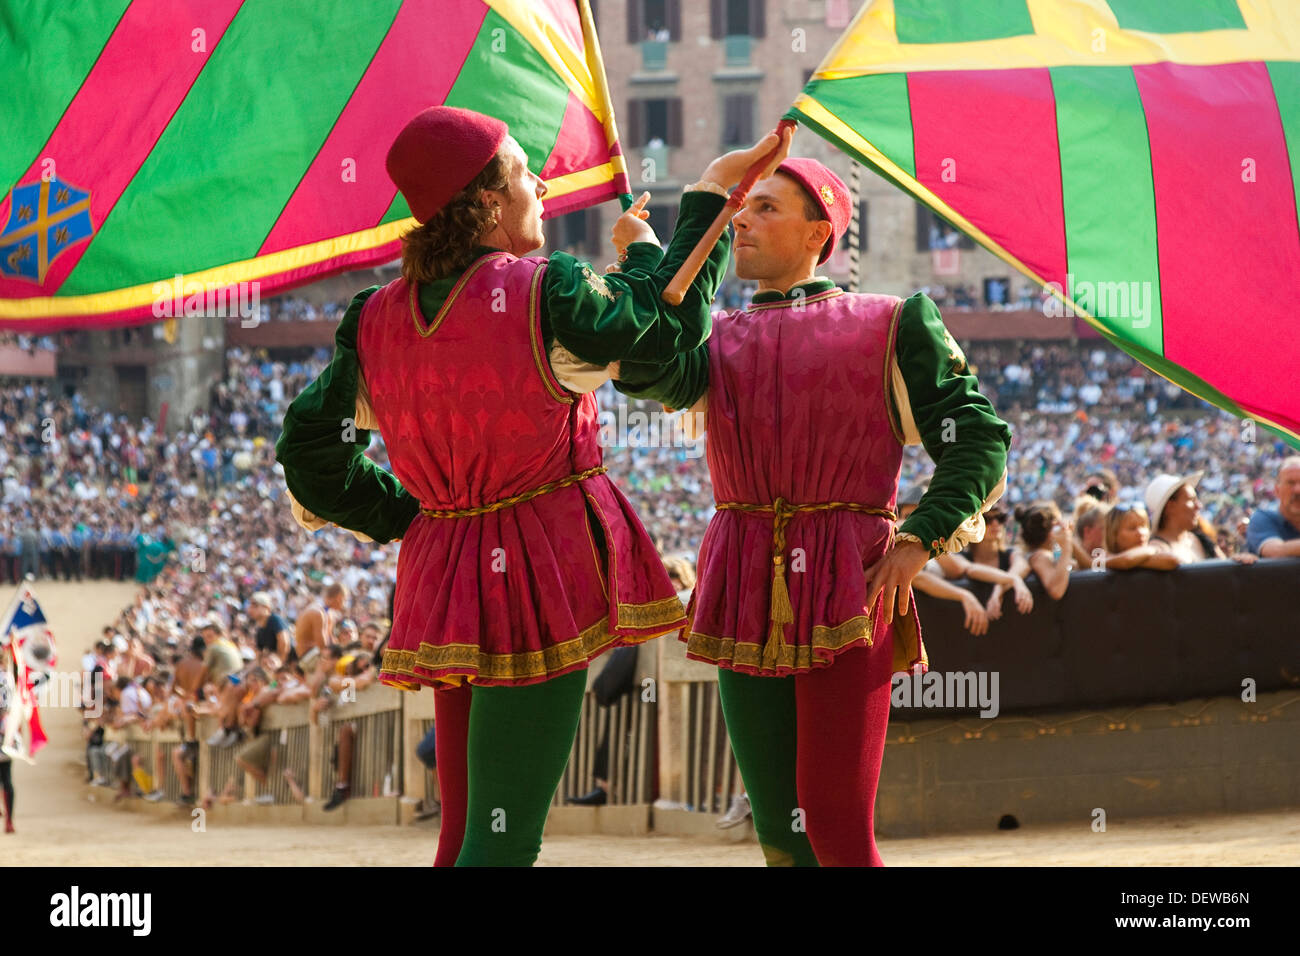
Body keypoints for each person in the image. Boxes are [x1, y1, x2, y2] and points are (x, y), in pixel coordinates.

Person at [274, 106, 784, 865]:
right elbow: (657, 339)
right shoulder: (548, 292)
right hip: (533, 574)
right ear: (485, 201)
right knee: (502, 838)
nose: (539, 183)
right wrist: (691, 209)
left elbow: (309, 451)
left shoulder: (375, 318)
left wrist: (412, 516)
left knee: (467, 829)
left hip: (444, 573)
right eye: (521, 172)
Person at [614, 156, 1011, 865]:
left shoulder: (891, 321)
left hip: (849, 581)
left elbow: (979, 439)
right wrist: (656, 249)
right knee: (779, 830)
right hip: (739, 580)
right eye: (741, 207)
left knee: (834, 824)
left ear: (816, 231)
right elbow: (644, 367)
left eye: (765, 207)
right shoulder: (714, 336)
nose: (743, 219)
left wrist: (920, 537)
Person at [1014, 501, 1074, 599]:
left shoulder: (1042, 554)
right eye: (1059, 523)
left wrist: (1070, 539)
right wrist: (1066, 546)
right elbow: (1056, 591)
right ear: (1052, 529)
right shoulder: (1040, 556)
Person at [1245, 455, 1300, 558]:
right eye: (1290, 483)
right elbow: (1275, 551)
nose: (1298, 490)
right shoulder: (1262, 518)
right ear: (1277, 490)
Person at [1102, 503, 1178, 570]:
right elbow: (1127, 560)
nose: (1140, 533)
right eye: (1132, 528)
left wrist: (1150, 550)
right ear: (1114, 534)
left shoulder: (1155, 548)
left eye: (1143, 526)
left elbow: (1172, 560)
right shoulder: (1102, 556)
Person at [249, 592, 291, 661]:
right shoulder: (260, 629)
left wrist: (280, 664)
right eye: (251, 605)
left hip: (291, 664)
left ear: (267, 607)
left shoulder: (274, 619)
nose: (251, 609)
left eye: (255, 606)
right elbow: (259, 655)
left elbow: (284, 643)